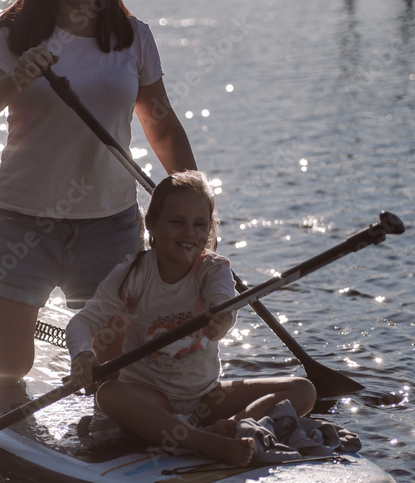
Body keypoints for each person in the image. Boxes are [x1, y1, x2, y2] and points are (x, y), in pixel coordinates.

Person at [0, 0, 196, 410]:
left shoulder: (133, 36)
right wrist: (14, 79)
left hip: (109, 226)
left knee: (112, 372)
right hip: (21, 222)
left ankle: (115, 447)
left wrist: (194, 201)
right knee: (3, 370)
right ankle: (9, 464)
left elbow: (162, 123)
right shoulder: (15, 33)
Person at [67, 171, 317, 466]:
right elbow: (82, 323)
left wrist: (222, 319)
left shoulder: (214, 268)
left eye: (199, 225)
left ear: (210, 228)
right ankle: (207, 442)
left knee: (303, 390)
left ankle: (232, 426)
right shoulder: (132, 273)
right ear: (152, 225)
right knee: (108, 394)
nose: (190, 233)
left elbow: (223, 301)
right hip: (150, 397)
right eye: (177, 222)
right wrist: (82, 355)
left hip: (207, 397)